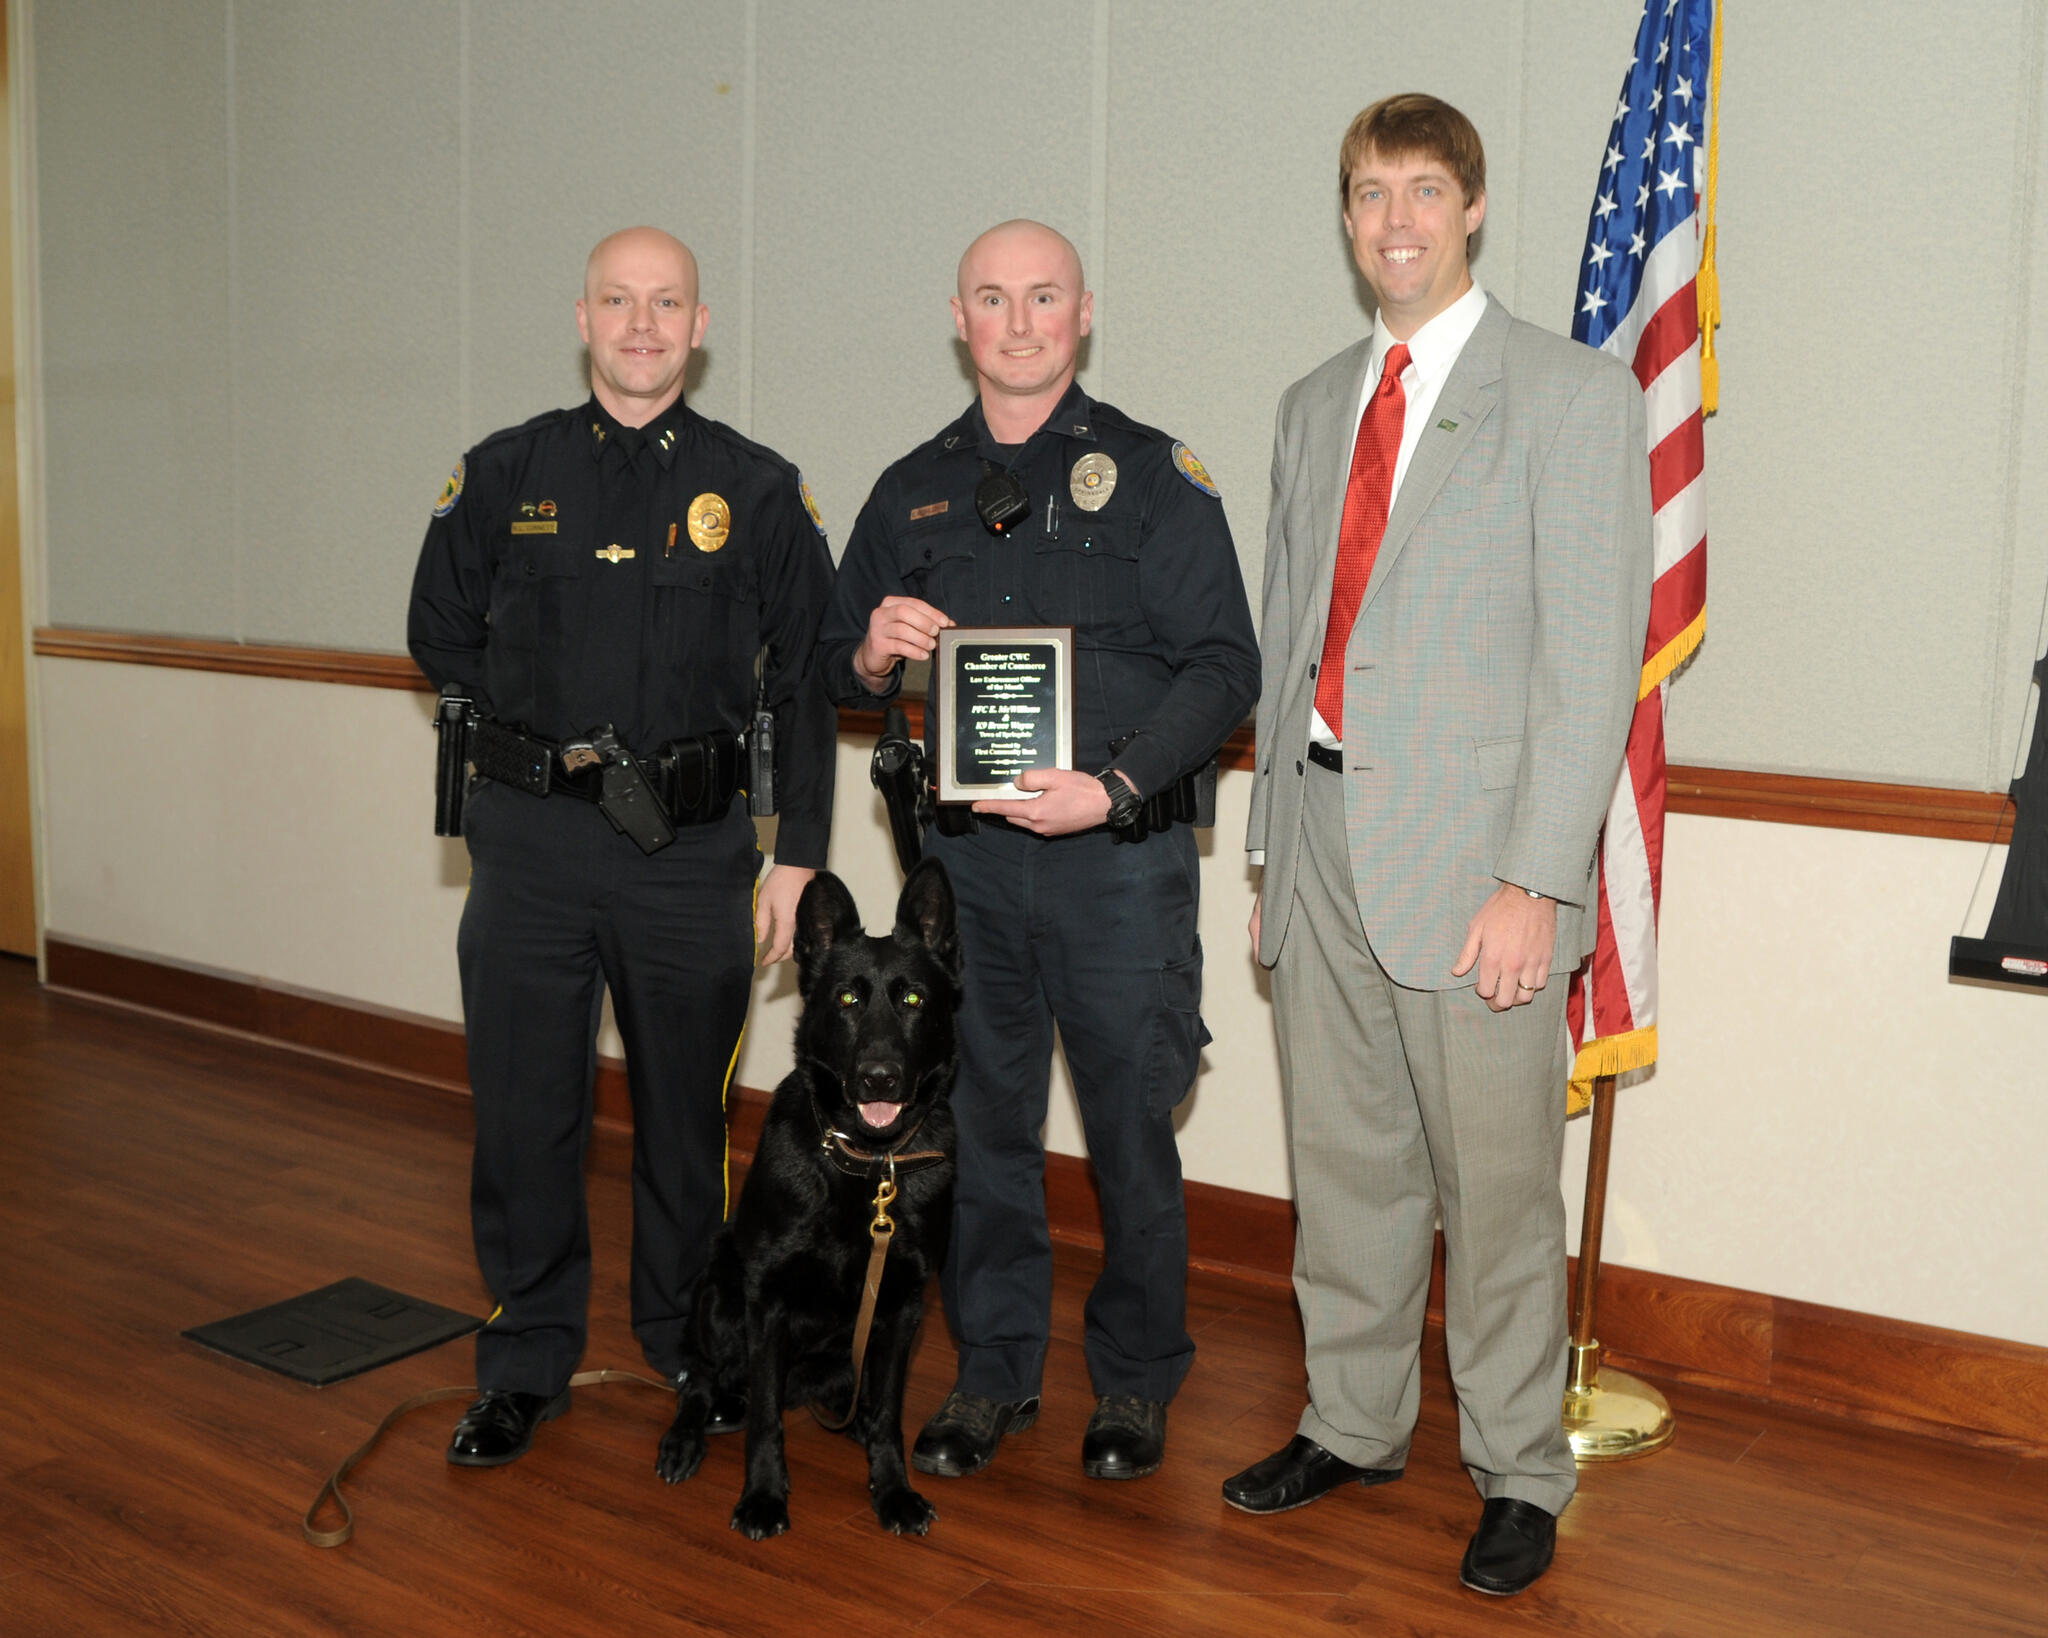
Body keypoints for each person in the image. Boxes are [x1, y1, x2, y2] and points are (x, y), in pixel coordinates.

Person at [1227, 96, 1650, 1597]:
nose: (1392, 219)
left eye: (1420, 191)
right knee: (1344, 1166)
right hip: (1324, 833)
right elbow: (1291, 643)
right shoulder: (1310, 402)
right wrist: (1272, 846)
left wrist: (1537, 879)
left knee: (1498, 1190)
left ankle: (1522, 1470)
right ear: (1344, 217)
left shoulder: (1574, 395)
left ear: (1472, 207)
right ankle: (1352, 1421)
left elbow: (1591, 663)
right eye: (1364, 193)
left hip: (1481, 866)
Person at [820, 220, 1258, 1482]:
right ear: (957, 317)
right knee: (978, 1129)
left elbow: (1225, 666)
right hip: (962, 883)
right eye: (993, 299)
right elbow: (829, 668)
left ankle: (1130, 1383)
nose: (1019, 322)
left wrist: (1114, 786)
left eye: (1044, 297)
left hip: (1114, 863)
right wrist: (867, 654)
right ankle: (993, 1372)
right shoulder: (908, 488)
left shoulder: (1154, 475)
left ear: (1081, 314)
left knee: (1130, 1129)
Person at [407, 227, 836, 1468]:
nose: (641, 325)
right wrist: (543, 739)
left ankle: (684, 1340)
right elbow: (437, 631)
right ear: (582, 317)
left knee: (682, 1128)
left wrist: (796, 854)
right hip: (532, 852)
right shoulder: (502, 473)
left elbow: (809, 677)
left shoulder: (756, 490)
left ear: (699, 326)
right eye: (617, 301)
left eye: (666, 304)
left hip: (691, 855)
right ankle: (525, 1359)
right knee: (523, 1121)